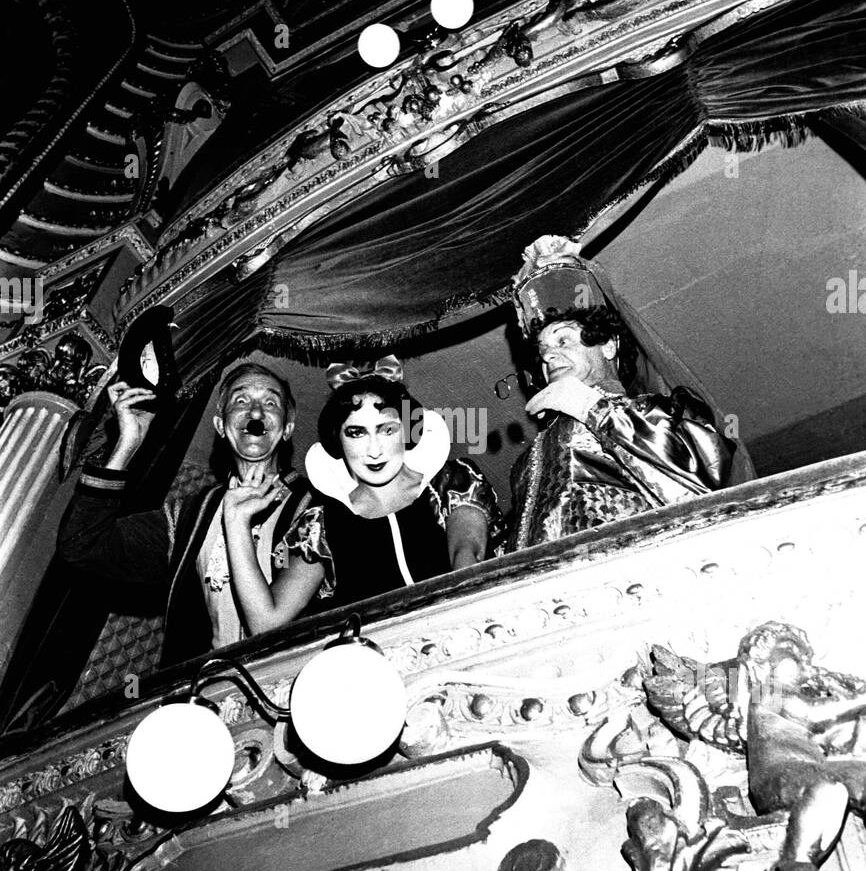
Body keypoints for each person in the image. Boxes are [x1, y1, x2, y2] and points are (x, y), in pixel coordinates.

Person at [506, 235, 752, 551]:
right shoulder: (528, 459)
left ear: (608, 345)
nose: (548, 357)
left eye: (563, 340)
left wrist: (590, 408)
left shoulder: (666, 411)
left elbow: (702, 490)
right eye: (543, 350)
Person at [57, 360, 312, 665]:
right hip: (198, 697)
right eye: (241, 400)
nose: (255, 412)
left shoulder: (313, 505)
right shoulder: (191, 513)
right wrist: (126, 446)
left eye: (270, 402)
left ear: (287, 428)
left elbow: (272, 627)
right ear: (220, 426)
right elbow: (82, 546)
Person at [239, 356, 504, 625]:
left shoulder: (451, 482)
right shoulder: (321, 524)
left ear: (407, 431)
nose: (374, 451)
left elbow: (467, 556)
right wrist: (236, 521)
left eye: (386, 429)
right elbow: (264, 622)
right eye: (356, 433)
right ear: (338, 442)